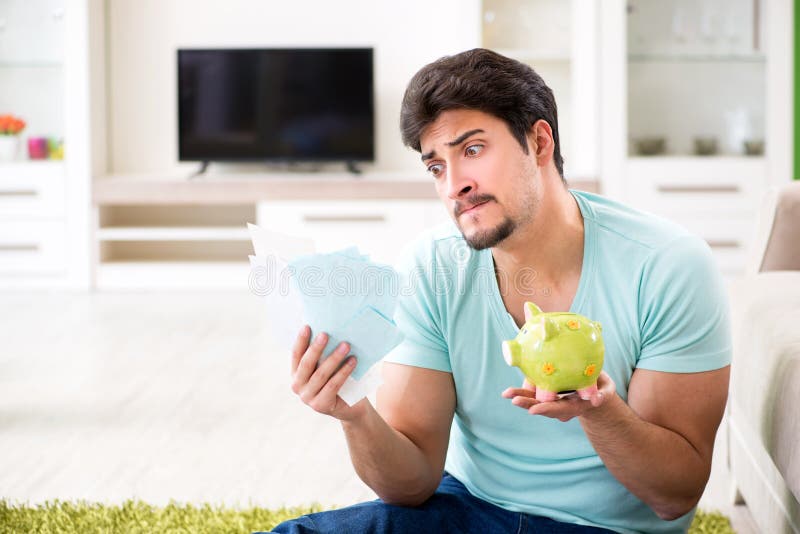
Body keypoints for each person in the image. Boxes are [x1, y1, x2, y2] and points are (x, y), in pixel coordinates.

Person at [265, 48, 731, 533]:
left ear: (539, 141)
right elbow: (413, 483)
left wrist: (599, 411)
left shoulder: (667, 266)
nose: (454, 187)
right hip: (467, 510)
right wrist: (355, 415)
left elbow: (674, 496)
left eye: (471, 150)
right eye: (436, 167)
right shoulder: (432, 267)